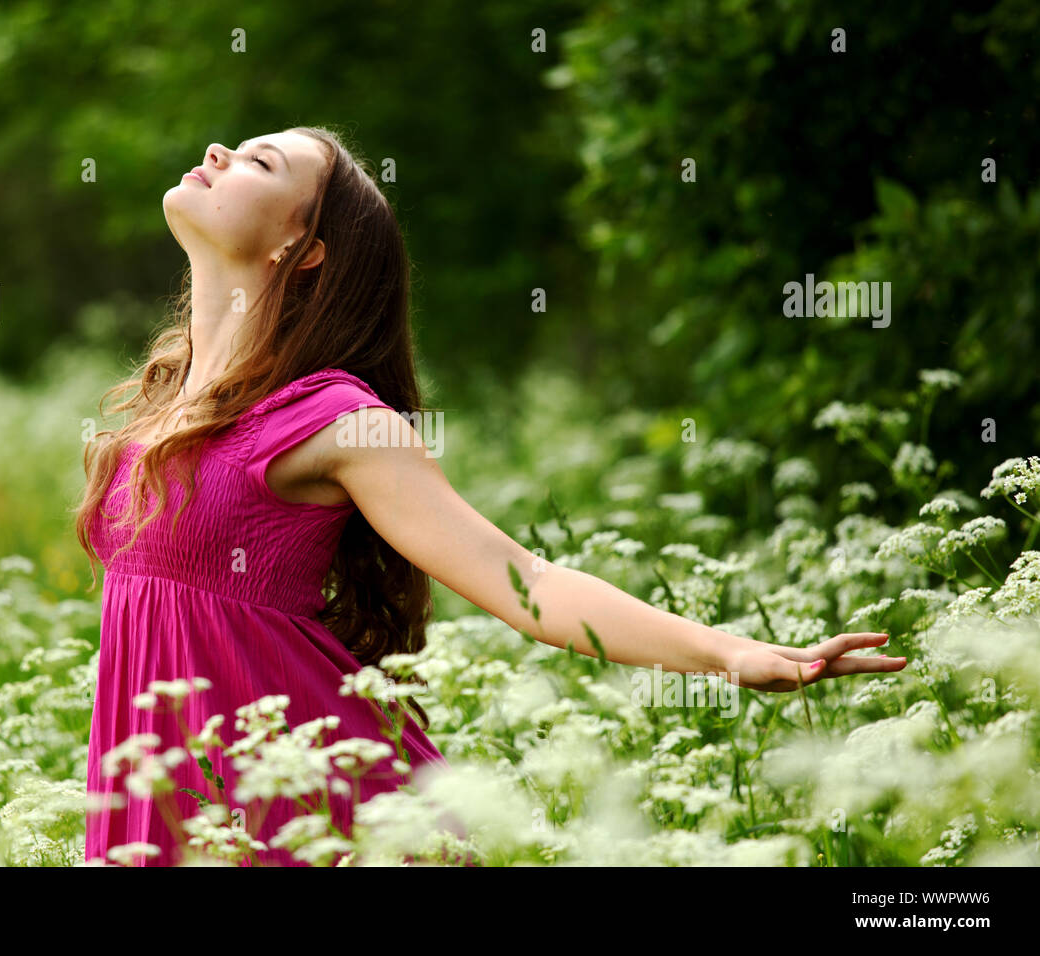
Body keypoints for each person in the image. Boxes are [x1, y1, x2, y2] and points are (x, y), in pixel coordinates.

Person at [73, 126, 906, 867]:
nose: (218, 151)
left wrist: (729, 655)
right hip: (164, 808)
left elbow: (526, 580)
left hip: (309, 819)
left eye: (260, 161)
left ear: (307, 244)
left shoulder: (329, 417)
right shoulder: (162, 403)